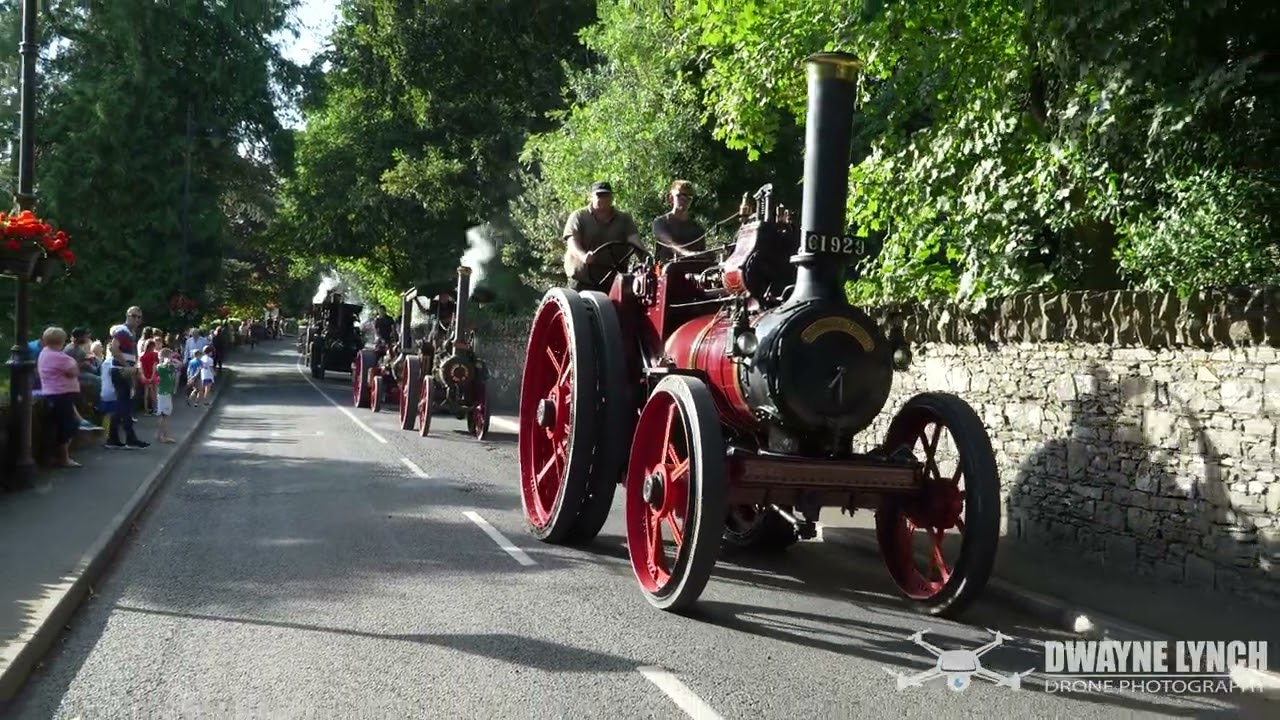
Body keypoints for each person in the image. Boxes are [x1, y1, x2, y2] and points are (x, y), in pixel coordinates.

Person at [561, 180, 647, 292]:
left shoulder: (624, 219)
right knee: (579, 307)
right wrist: (583, 256)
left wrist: (645, 256)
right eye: (599, 195)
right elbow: (572, 242)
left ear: (612, 198)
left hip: (614, 280)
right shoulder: (579, 216)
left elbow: (634, 241)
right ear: (590, 197)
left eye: (606, 195)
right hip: (583, 281)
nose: (602, 198)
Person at [37, 327, 85, 468]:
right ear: (61, 340)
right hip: (61, 394)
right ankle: (64, 458)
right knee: (67, 426)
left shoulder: (44, 353)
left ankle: (55, 457)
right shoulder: (59, 357)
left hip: (52, 393)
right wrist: (73, 363)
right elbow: (74, 372)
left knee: (58, 426)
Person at [105, 306, 149, 450]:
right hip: (120, 370)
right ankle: (130, 439)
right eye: (133, 316)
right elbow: (114, 348)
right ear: (127, 315)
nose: (136, 319)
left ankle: (113, 438)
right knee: (124, 405)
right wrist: (126, 366)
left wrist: (134, 367)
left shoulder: (131, 333)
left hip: (124, 370)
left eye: (139, 317)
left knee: (121, 405)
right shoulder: (122, 331)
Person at [651, 179, 707, 262]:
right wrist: (687, 253)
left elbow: (702, 255)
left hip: (693, 270)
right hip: (666, 271)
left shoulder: (697, 228)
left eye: (689, 197)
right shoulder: (660, 223)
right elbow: (669, 243)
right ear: (671, 198)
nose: (685, 199)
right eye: (680, 195)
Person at [154, 348, 178, 444]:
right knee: (165, 416)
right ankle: (165, 436)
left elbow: (178, 366)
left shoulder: (168, 367)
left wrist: (171, 361)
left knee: (164, 415)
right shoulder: (160, 367)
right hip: (163, 393)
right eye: (170, 356)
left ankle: (159, 434)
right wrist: (167, 361)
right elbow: (165, 367)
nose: (171, 359)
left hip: (166, 392)